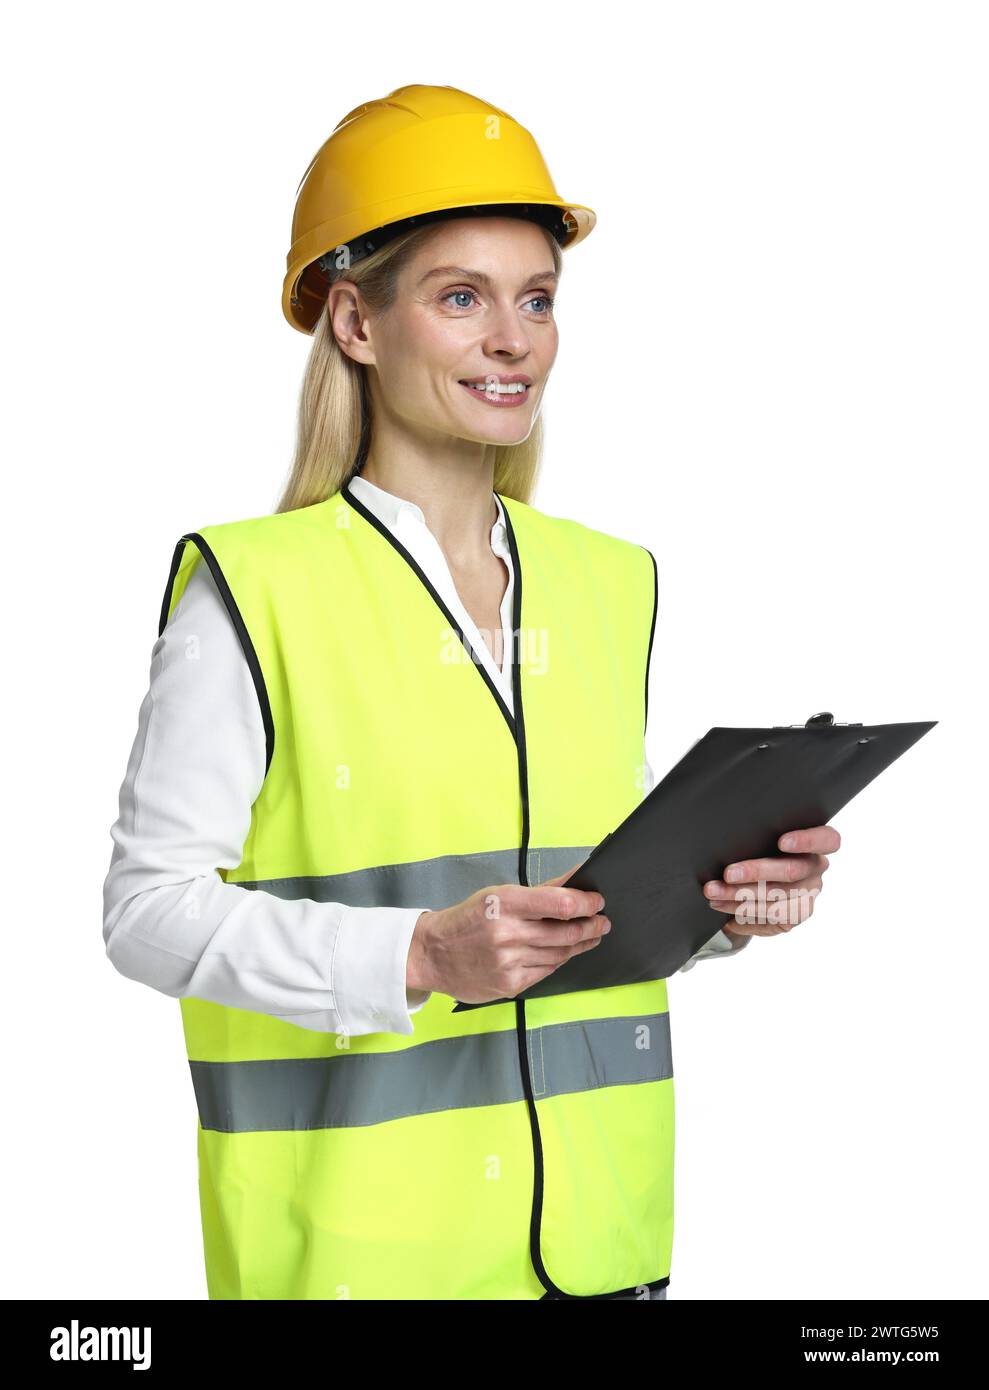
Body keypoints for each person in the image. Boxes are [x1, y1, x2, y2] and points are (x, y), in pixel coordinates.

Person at [102, 84, 839, 1301]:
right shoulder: (254, 590)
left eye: (536, 299)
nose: (514, 340)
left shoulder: (608, 584)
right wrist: (420, 953)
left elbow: (592, 910)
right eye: (460, 298)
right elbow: (146, 913)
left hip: (603, 1254)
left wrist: (723, 904)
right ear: (354, 320)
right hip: (363, 1264)